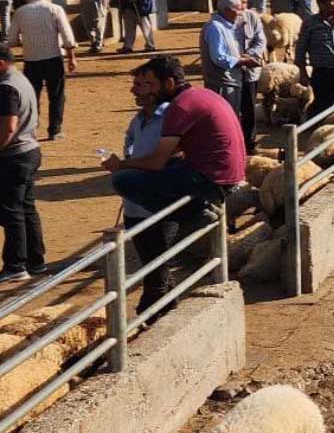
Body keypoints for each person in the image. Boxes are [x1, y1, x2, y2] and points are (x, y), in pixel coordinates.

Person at [102, 56, 246, 301]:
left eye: (149, 84)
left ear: (168, 83)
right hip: (220, 172)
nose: (140, 90)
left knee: (123, 181)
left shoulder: (179, 108)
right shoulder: (203, 96)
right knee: (155, 260)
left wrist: (121, 165)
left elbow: (157, 160)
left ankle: (192, 214)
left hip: (207, 178)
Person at [0, 38, 43, 283]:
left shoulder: (6, 88)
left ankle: (15, 265)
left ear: (0, 64)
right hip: (28, 152)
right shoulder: (19, 79)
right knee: (26, 208)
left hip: (12, 157)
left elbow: (8, 126)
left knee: (10, 213)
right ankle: (35, 260)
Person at [118, 70, 172, 302]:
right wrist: (128, 159)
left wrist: (128, 164)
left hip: (158, 202)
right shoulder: (138, 119)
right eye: (135, 84)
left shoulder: (171, 117)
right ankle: (165, 305)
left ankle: (150, 311)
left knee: (156, 263)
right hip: (134, 204)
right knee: (152, 261)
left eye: (144, 84)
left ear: (164, 86)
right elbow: (130, 141)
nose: (134, 90)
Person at [9, 0, 77, 140]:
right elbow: (67, 35)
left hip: (31, 59)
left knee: (32, 96)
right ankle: (55, 129)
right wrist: (71, 57)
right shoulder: (54, 9)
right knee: (57, 95)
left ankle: (30, 129)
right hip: (53, 57)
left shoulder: (19, 12)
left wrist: (23, 39)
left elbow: (11, 39)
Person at [200, 0, 254, 145]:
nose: (241, 13)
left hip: (231, 80)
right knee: (224, 120)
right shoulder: (215, 28)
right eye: (238, 9)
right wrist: (242, 61)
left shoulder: (226, 27)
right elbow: (218, 57)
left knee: (232, 118)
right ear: (227, 10)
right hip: (222, 83)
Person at [232, 0, 268, 149]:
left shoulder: (252, 17)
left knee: (250, 107)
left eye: (245, 3)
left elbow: (261, 40)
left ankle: (250, 141)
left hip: (250, 70)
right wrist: (238, 57)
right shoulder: (224, 21)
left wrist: (250, 54)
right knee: (233, 108)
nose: (243, 7)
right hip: (232, 72)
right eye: (240, 4)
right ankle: (235, 141)